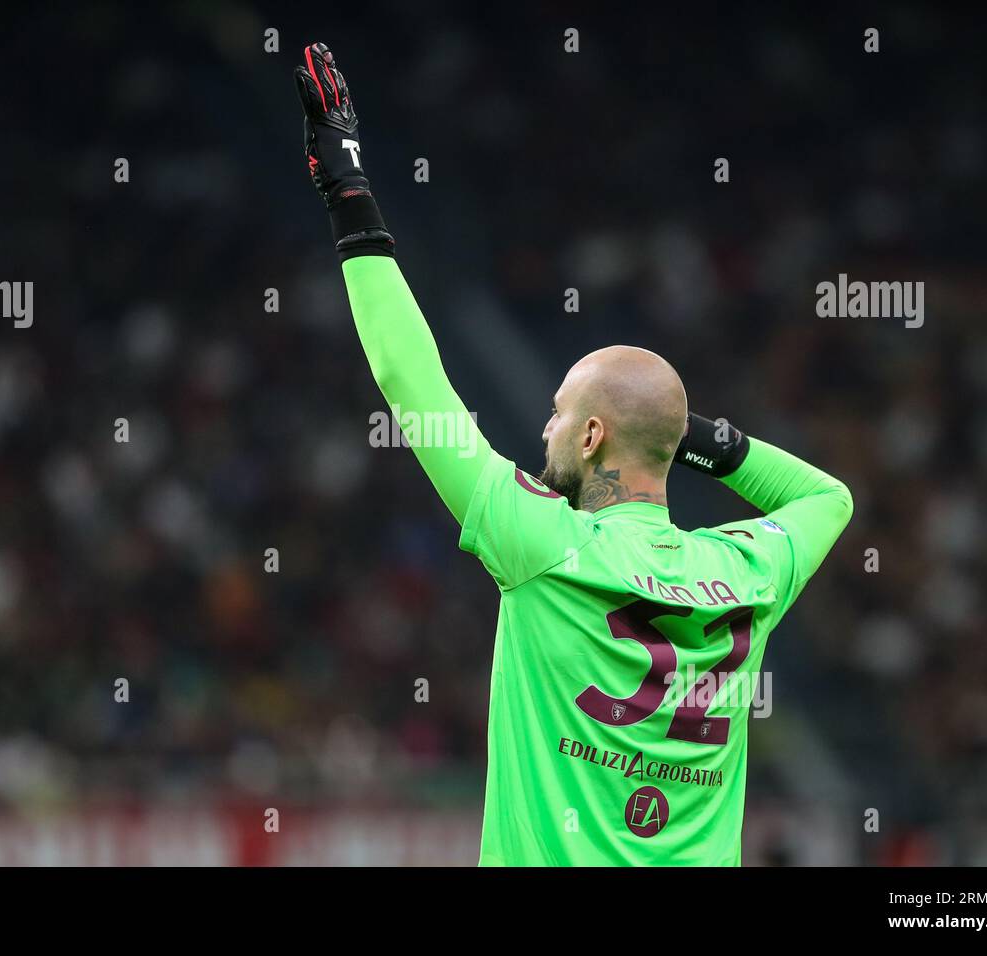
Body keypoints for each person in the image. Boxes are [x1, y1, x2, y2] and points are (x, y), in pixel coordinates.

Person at [295, 42, 853, 865]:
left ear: (592, 436)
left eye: (560, 414)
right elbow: (827, 498)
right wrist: (686, 435)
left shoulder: (544, 546)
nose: (546, 429)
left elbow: (409, 380)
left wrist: (345, 186)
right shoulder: (749, 572)